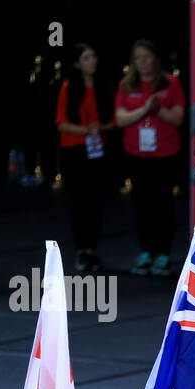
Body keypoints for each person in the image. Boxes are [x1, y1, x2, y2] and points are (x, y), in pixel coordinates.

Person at [114, 40, 185, 276]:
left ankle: (163, 253)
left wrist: (157, 109)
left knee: (162, 203)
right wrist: (144, 109)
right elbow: (121, 118)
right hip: (136, 153)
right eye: (138, 58)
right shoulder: (127, 84)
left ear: (155, 58)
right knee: (141, 203)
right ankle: (146, 251)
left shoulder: (170, 82)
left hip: (165, 152)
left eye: (147, 57)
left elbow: (178, 117)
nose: (143, 62)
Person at [56, 43, 116, 274]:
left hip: (98, 149)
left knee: (96, 202)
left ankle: (92, 249)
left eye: (93, 56)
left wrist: (100, 128)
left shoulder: (105, 88)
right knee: (79, 202)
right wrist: (85, 130)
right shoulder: (69, 88)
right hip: (76, 150)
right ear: (77, 63)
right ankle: (82, 249)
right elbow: (62, 123)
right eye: (87, 57)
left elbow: (113, 121)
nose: (93, 61)